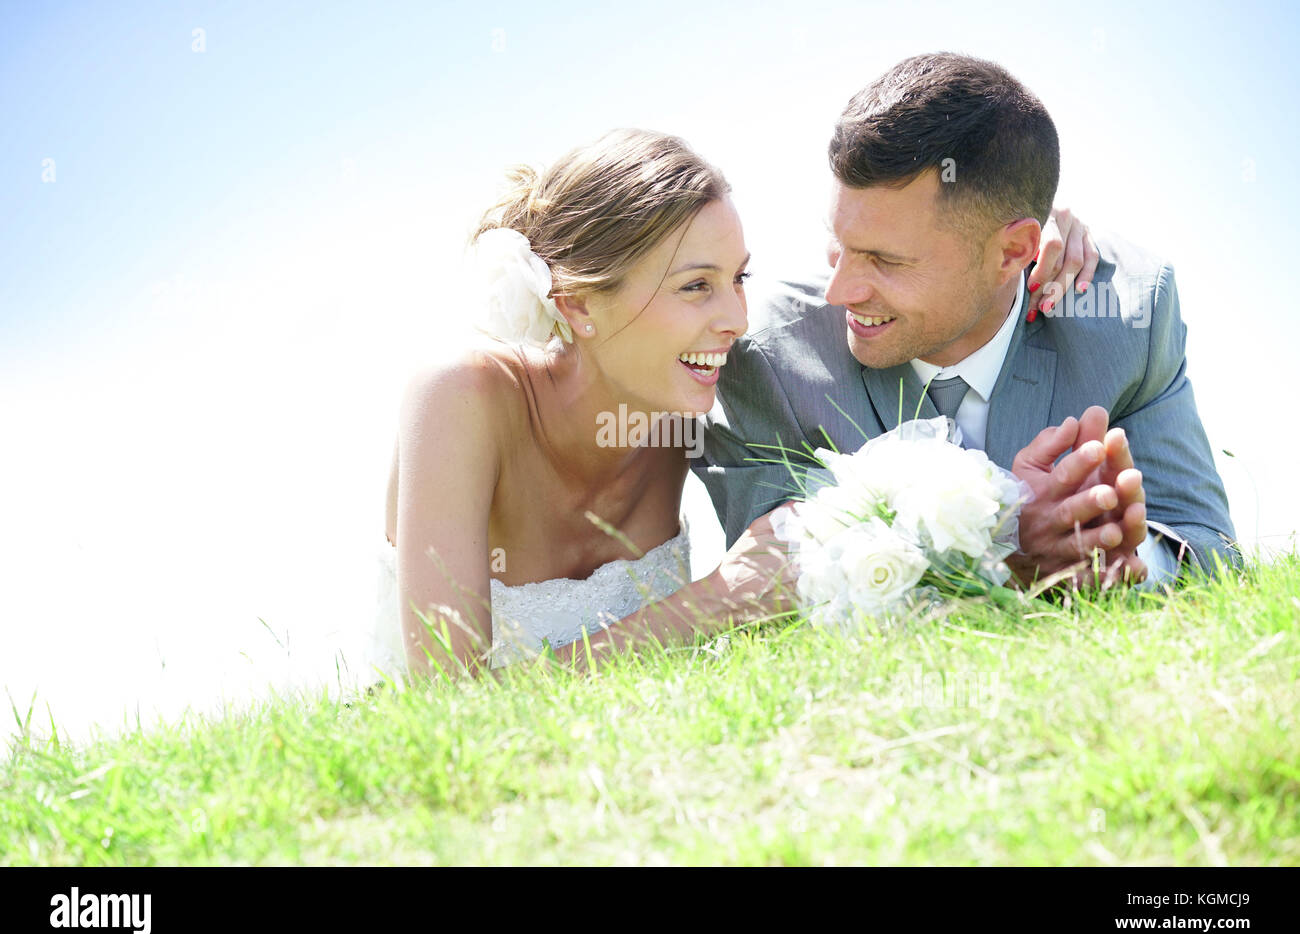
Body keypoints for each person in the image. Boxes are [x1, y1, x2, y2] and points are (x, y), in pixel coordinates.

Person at [373, 128, 1100, 679]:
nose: (736, 320)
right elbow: (450, 696)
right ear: (577, 305)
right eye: (696, 286)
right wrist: (718, 599)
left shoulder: (681, 413)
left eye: (737, 279)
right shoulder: (461, 396)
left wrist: (1019, 233)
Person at [697, 53, 1238, 590]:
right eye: (839, 246)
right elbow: (766, 600)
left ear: (1014, 251)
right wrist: (1006, 553)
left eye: (885, 260)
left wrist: (1110, 554)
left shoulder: (1129, 318)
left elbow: (1214, 553)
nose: (841, 292)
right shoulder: (768, 360)